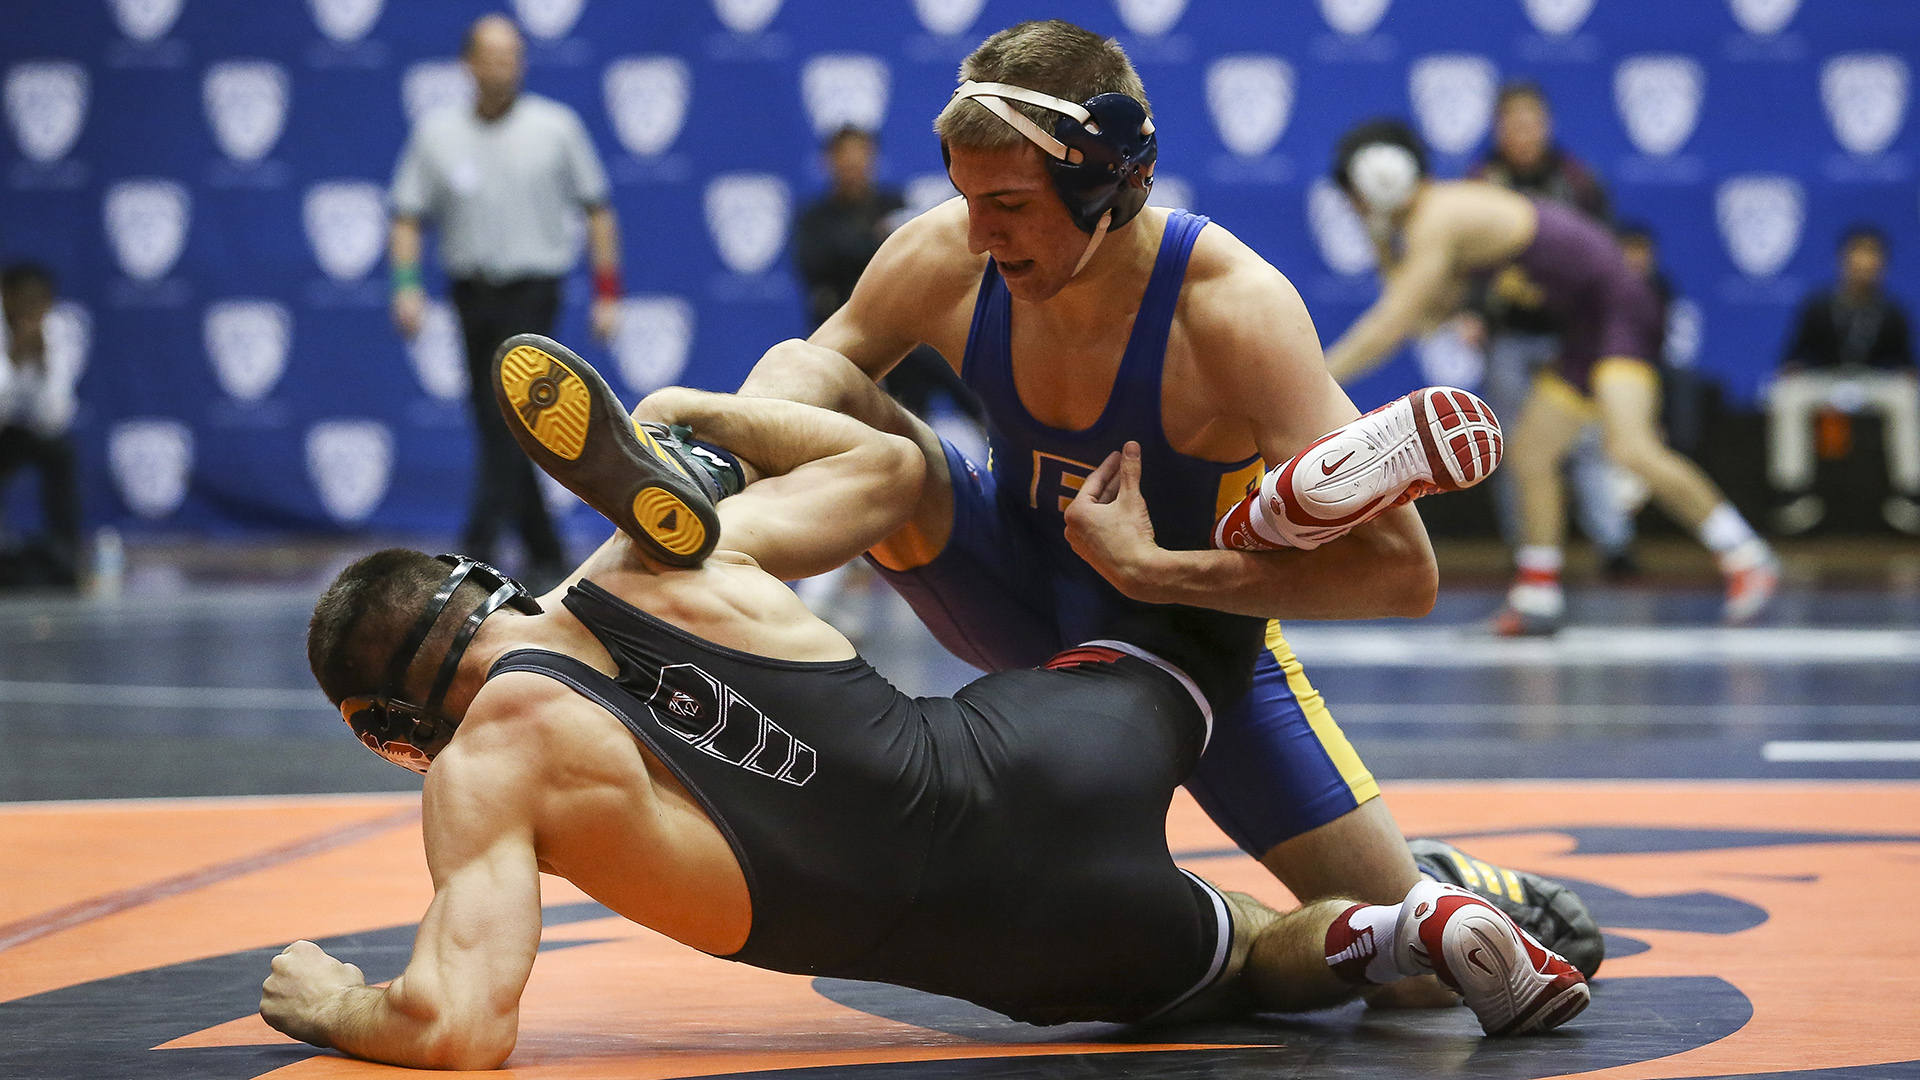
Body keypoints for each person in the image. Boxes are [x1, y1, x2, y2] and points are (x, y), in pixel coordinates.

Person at [264, 335, 1588, 1069]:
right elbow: (894, 475)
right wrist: (715, 469)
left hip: (1004, 946)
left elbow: (456, 1028)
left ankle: (1402, 929)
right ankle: (1301, 497)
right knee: (1173, 609)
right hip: (1029, 755)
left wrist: (332, 1002)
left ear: (390, 733)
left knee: (1248, 957)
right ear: (488, 584)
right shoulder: (644, 563)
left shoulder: (483, 770)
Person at [735, 20, 1602, 985]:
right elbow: (815, 380)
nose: (980, 233)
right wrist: (735, 462)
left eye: (1011, 205)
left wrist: (1151, 568)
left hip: (1191, 639)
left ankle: (1435, 879)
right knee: (810, 375)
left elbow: (1403, 577)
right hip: (1005, 576)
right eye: (967, 198)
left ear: (1109, 184)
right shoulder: (948, 252)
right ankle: (698, 491)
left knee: (1409, 976)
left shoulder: (1231, 308)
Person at [1322, 118, 1777, 634]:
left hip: (1617, 307)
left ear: (1378, 179)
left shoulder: (1439, 218)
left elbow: (1394, 324)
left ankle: (1746, 555)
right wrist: (1383, 244)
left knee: (1631, 448)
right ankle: (1538, 595)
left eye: (1353, 198)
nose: (1353, 210)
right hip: (1587, 323)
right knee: (1533, 454)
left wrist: (1317, 375)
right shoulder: (1435, 223)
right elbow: (1430, 317)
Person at [387, 13, 623, 589]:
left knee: (510, 417)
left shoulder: (556, 127)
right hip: (471, 294)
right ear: (468, 63)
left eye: (514, 55)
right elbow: (407, 217)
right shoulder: (436, 133)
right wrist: (406, 287)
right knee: (496, 420)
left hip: (534, 293)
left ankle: (476, 547)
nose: (505, 66)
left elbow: (597, 210)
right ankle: (543, 547)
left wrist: (607, 293)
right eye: (492, 55)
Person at [1469, 81, 1636, 578]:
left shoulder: (1578, 180)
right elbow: (1467, 258)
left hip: (1569, 333)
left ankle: (1614, 542)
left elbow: (1604, 255)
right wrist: (1476, 309)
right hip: (1509, 333)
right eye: (1511, 124)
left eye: (1530, 123)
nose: (1521, 134)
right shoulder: (1483, 181)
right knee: (1508, 443)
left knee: (1585, 439)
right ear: (1499, 129)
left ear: (1546, 126)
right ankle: (1529, 550)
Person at [793, 125, 980, 423]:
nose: (854, 165)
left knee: (936, 356)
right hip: (847, 323)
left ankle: (990, 426)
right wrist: (873, 242)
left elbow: (916, 257)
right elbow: (817, 263)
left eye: (861, 156)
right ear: (830, 162)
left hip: (904, 323)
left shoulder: (893, 203)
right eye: (846, 158)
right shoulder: (814, 218)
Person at [1767, 225, 1918, 536]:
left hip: (1871, 382)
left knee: (1906, 396)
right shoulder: (1819, 305)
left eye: (1871, 258)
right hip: (1828, 379)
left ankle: (1910, 493)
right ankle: (1792, 492)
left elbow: (1904, 361)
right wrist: (1794, 368)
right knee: (1787, 395)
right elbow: (1795, 354)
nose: (1864, 266)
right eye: (1857, 257)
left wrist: (1907, 374)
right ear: (1843, 261)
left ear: (1882, 265)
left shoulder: (1891, 311)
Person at [0, 262, 82, 589]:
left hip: (21, 432)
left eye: (41, 302)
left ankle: (64, 554)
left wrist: (46, 369)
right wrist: (13, 361)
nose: (32, 310)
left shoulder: (58, 331)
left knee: (60, 452)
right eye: (25, 300)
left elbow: (55, 420)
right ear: (5, 296)